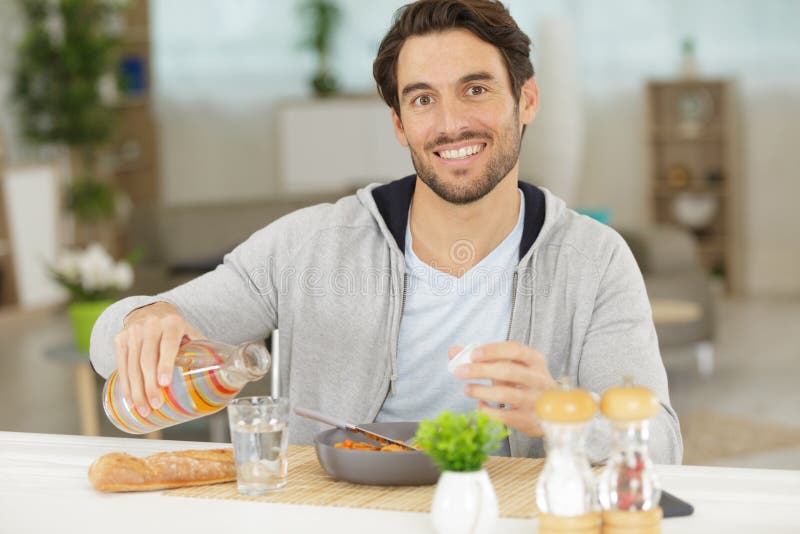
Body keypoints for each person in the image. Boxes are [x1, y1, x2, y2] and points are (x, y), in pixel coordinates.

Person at [91, 0, 682, 463]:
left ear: (525, 99)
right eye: (423, 99)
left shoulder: (593, 260)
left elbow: (661, 444)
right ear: (400, 125)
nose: (451, 124)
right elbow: (106, 341)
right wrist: (145, 321)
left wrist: (561, 411)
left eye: (475, 89)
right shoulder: (308, 245)